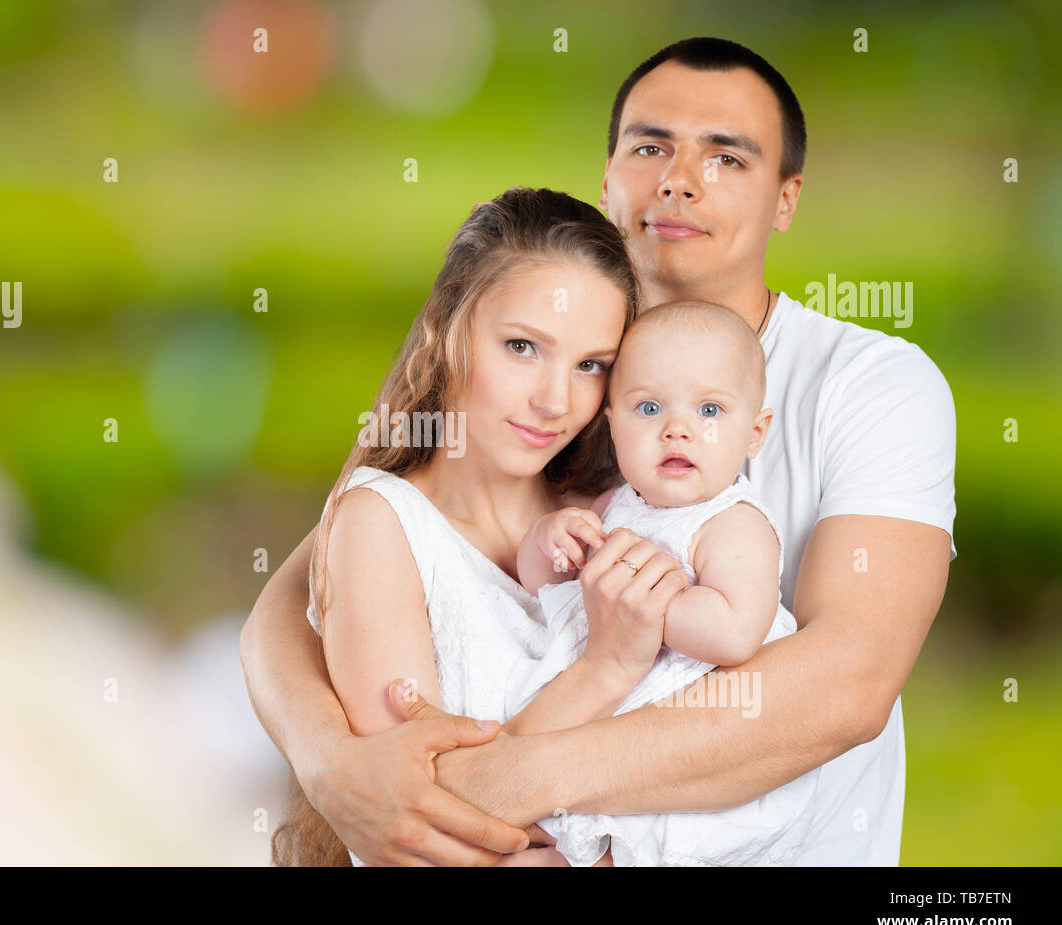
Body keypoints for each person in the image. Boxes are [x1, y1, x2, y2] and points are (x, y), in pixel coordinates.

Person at [241, 36, 956, 866]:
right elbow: (304, 590)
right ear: (609, 175)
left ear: (786, 198)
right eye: (651, 146)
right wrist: (334, 765)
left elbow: (848, 684)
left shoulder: (870, 383)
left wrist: (484, 790)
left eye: (726, 158)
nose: (679, 178)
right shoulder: (564, 377)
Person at [275, 184, 687, 867]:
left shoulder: (613, 506)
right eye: (523, 347)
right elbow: (423, 831)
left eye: (591, 366)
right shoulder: (381, 526)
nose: (556, 400)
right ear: (450, 328)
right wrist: (608, 670)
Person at [509, 300, 814, 866]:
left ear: (755, 432)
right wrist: (550, 540)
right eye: (648, 408)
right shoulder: (616, 504)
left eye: (709, 409)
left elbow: (735, 633)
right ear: (612, 425)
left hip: (677, 765)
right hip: (593, 732)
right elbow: (543, 584)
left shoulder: (732, 523)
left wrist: (644, 601)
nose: (678, 428)